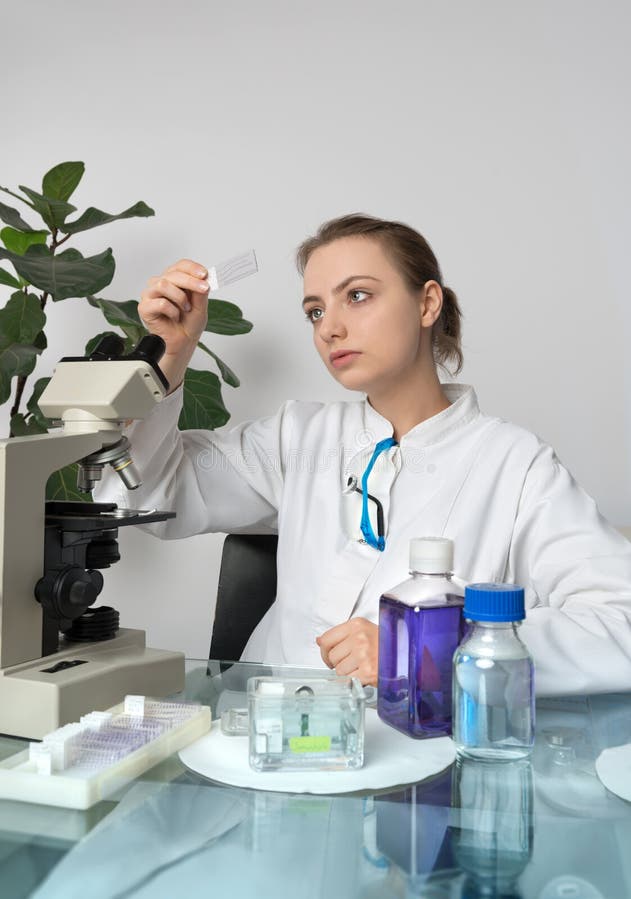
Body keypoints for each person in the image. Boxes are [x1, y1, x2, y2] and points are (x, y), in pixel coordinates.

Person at [96, 214, 631, 696]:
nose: (329, 327)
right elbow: (147, 492)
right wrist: (172, 356)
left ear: (427, 303)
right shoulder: (297, 437)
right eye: (314, 310)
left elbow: (619, 624)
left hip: (414, 766)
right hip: (260, 740)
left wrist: (432, 646)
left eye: (357, 295)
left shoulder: (514, 466)